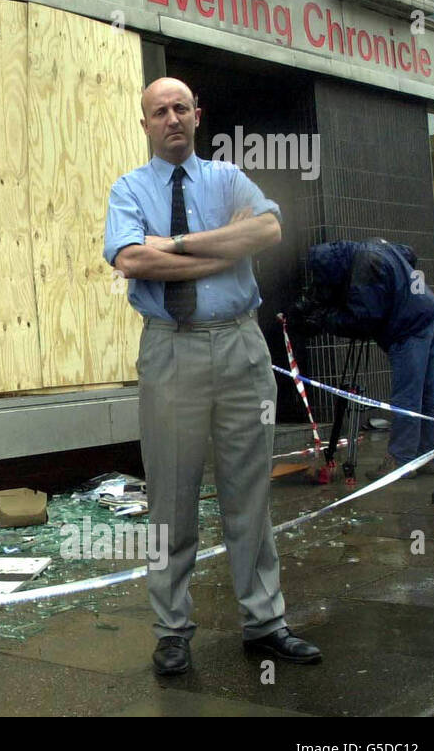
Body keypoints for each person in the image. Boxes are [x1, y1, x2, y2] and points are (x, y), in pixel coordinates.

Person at [103, 77, 321, 675]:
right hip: (171, 352)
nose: (171, 118)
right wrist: (226, 250)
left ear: (197, 116)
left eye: (181, 108)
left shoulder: (228, 180)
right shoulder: (128, 190)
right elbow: (131, 259)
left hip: (240, 349)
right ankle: (172, 631)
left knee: (248, 491)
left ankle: (265, 623)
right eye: (158, 112)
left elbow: (269, 231)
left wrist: (177, 244)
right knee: (170, 499)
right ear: (144, 124)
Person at [290, 239, 434, 479]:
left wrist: (324, 319)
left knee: (407, 396)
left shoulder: (364, 267)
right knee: (426, 392)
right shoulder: (369, 249)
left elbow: (363, 319)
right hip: (427, 313)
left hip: (408, 326)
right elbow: (408, 251)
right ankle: (429, 455)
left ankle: (401, 461)